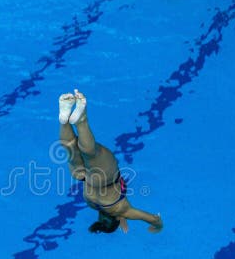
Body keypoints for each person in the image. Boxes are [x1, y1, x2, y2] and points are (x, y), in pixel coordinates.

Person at [58, 89, 162, 233]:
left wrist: (157, 226)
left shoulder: (123, 210)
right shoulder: (93, 205)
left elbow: (152, 218)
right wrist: (120, 217)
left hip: (105, 178)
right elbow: (109, 213)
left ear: (117, 219)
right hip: (81, 176)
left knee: (92, 153)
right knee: (69, 145)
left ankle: (81, 120)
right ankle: (64, 120)